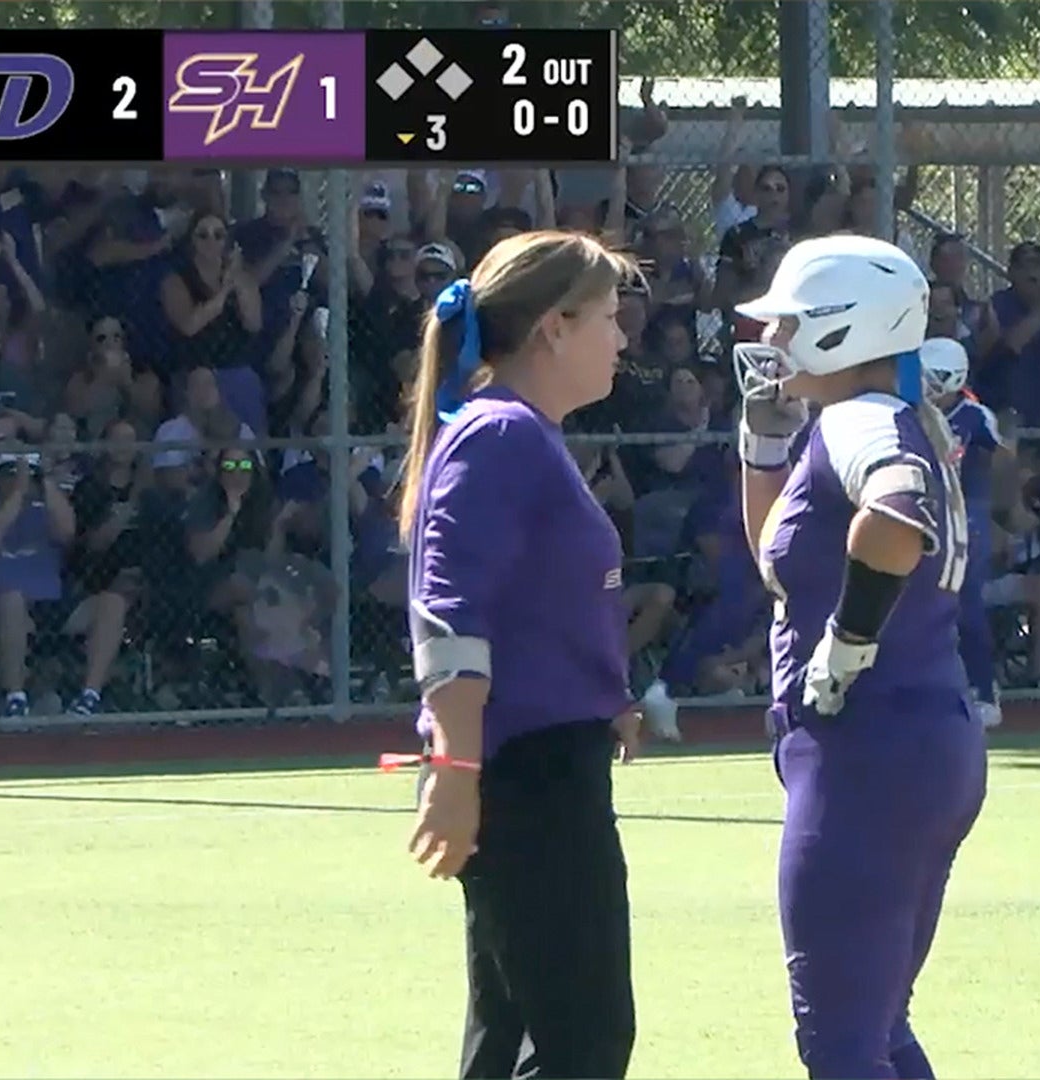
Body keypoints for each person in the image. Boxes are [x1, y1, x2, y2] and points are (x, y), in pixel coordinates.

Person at [732, 234, 987, 1079]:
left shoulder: (860, 417)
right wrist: (764, 450)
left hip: (868, 747)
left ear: (844, 325)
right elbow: (778, 560)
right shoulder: (880, 417)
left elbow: (895, 516)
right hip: (915, 734)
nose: (771, 340)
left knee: (841, 1047)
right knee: (878, 1030)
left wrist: (849, 641)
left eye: (788, 323)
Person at [396, 230, 644, 1080]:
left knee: (514, 1038)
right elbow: (450, 618)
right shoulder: (501, 435)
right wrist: (456, 770)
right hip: (527, 777)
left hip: (544, 761)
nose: (621, 337)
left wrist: (603, 693)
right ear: (554, 328)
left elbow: (535, 601)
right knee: (582, 1041)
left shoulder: (518, 434)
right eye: (608, 317)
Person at [922, 335, 1010, 728]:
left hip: (963, 517)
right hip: (921, 511)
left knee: (967, 605)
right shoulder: (909, 411)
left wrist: (992, 508)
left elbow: (1002, 458)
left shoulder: (974, 416)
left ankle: (983, 688)